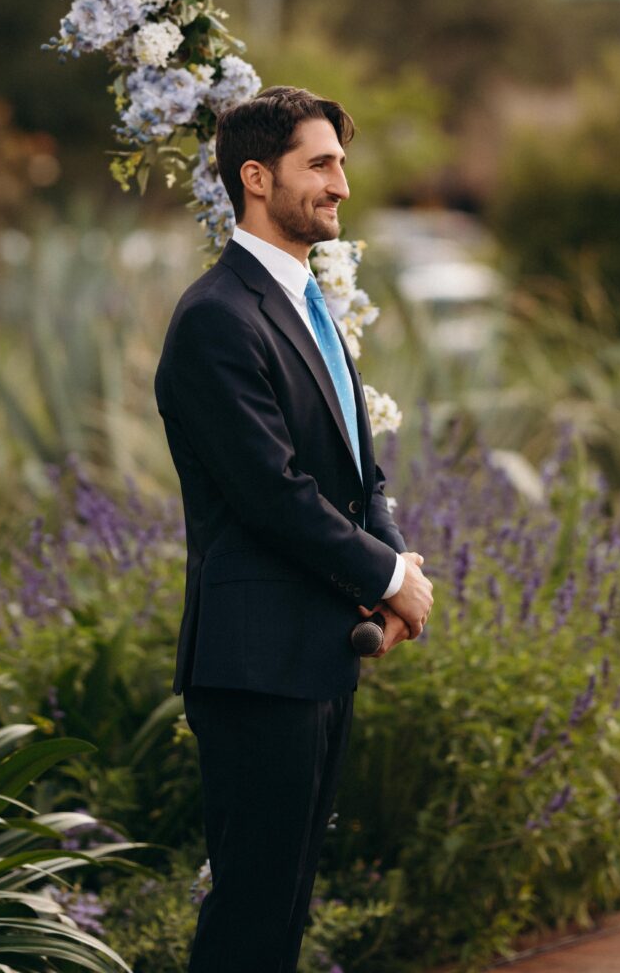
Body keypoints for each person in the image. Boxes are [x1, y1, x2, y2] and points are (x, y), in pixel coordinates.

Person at [154, 85, 434, 973]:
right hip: (254, 666)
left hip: (319, 653)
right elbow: (272, 492)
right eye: (320, 164)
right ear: (255, 177)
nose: (340, 185)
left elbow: (359, 470)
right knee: (249, 915)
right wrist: (391, 581)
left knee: (283, 918)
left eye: (340, 163)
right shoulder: (215, 319)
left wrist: (386, 567)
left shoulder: (311, 310)